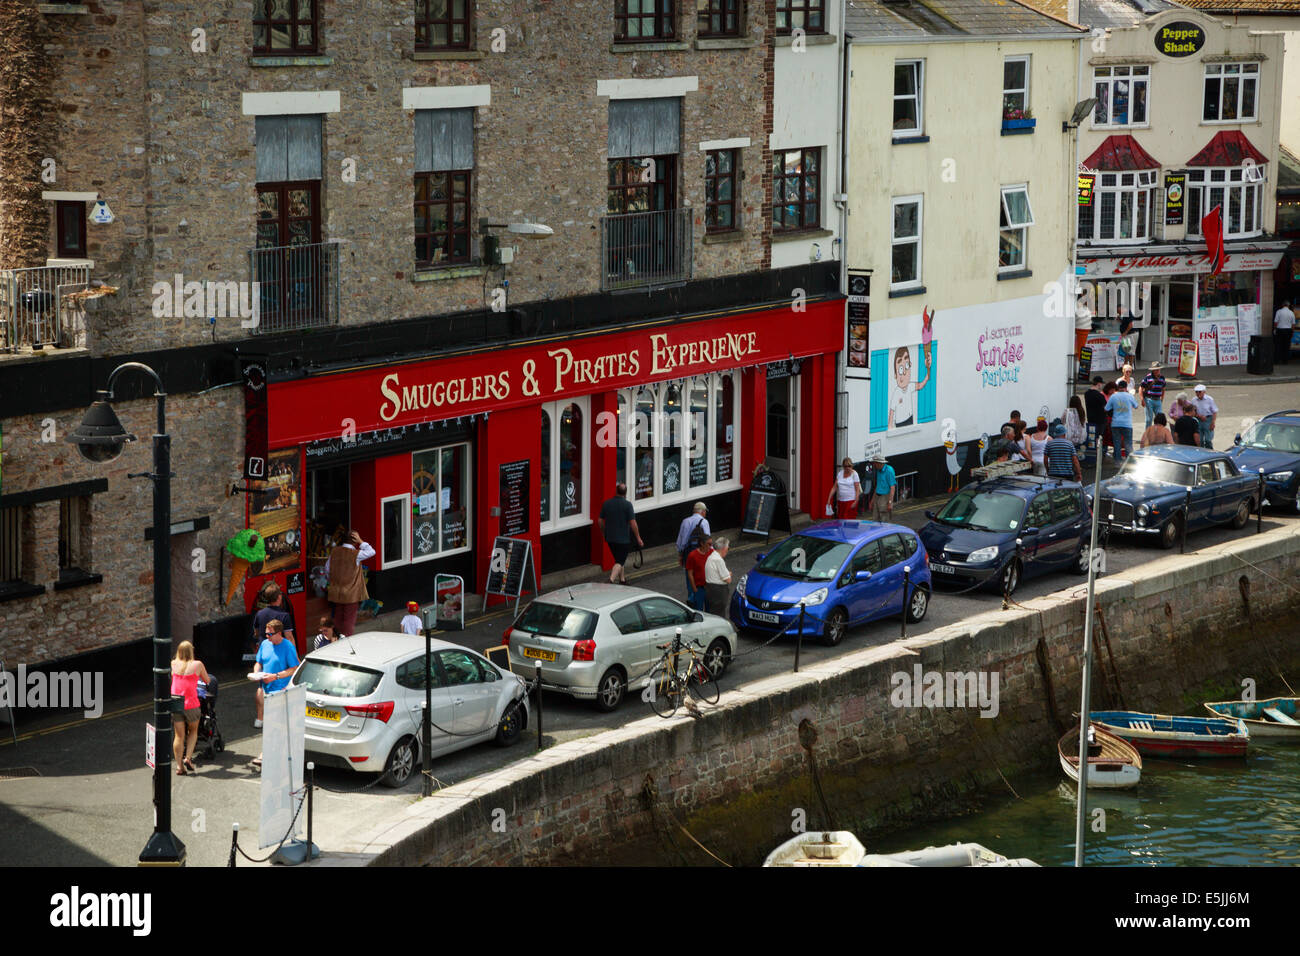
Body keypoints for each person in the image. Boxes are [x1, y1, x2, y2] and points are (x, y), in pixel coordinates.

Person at [252, 619, 300, 766]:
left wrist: (276, 676)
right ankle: (277, 752)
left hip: (281, 691)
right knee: (274, 724)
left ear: (279, 633)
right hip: (266, 689)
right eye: (266, 633)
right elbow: (259, 662)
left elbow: (294, 668)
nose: (267, 637)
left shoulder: (288, 647)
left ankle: (265, 754)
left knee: (272, 723)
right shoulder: (265, 644)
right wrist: (256, 673)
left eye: (270, 634)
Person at [326, 530, 375, 638]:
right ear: (355, 541)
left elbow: (327, 569)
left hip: (336, 591)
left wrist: (333, 582)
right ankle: (346, 640)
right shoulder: (355, 554)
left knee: (338, 617)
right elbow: (371, 551)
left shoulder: (335, 552)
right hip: (351, 593)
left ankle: (335, 638)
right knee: (349, 619)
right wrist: (361, 541)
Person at [170, 640, 209, 775]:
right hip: (191, 703)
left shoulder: (173, 664)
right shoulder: (197, 664)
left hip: (175, 702)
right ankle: (188, 758)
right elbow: (207, 680)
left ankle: (179, 766)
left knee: (178, 736)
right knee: (192, 731)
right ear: (191, 651)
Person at [250, 584, 293, 697]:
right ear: (279, 597)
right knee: (280, 681)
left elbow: (256, 632)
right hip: (279, 653)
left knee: (263, 682)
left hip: (264, 652)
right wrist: (294, 654)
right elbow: (289, 636)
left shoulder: (260, 614)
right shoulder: (284, 616)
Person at [598, 482, 642, 585]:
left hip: (610, 538)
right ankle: (611, 580)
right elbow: (633, 523)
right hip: (623, 540)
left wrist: (604, 532)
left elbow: (600, 520)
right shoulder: (627, 505)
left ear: (616, 491)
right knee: (619, 561)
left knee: (618, 559)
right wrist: (638, 538)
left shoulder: (607, 503)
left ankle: (622, 580)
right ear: (625, 493)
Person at [888, 345, 931, 428]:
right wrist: (890, 426)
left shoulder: (910, 386)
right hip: (900, 422)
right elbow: (892, 411)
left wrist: (927, 376)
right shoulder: (897, 392)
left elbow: (920, 386)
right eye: (900, 369)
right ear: (895, 375)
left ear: (910, 365)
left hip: (910, 418)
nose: (904, 372)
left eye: (907, 366)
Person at [675, 502, 711, 601]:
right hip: (701, 553)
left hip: (688, 553)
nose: (705, 514)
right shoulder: (704, 522)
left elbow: (681, 541)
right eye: (705, 512)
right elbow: (707, 539)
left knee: (689, 575)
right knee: (701, 576)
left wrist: (680, 555)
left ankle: (691, 597)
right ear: (702, 512)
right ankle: (700, 597)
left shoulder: (685, 521)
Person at [1105, 379, 1139, 462]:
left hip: (1115, 423)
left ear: (1118, 387)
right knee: (1128, 444)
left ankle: (1117, 462)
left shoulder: (1113, 396)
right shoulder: (1130, 396)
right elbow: (1136, 406)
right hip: (1127, 424)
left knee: (1117, 444)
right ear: (1126, 387)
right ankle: (1128, 462)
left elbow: (1106, 409)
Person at [704, 536, 732, 617]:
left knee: (713, 613)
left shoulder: (711, 556)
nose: (727, 549)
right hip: (718, 592)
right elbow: (728, 580)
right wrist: (729, 574)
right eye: (727, 547)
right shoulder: (718, 560)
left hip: (710, 589)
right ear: (724, 548)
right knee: (719, 615)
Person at [684, 535, 713, 611]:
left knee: (710, 611)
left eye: (711, 544)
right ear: (702, 543)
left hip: (710, 587)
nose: (711, 546)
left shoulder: (712, 552)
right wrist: (694, 589)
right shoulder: (692, 555)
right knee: (698, 611)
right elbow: (690, 573)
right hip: (699, 588)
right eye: (709, 544)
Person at [1138, 361, 1165, 430]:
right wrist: (1142, 399)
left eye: (1158, 369)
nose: (1158, 371)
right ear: (1153, 370)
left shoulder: (1162, 378)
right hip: (1149, 400)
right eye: (1156, 369)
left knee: (1160, 419)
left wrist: (1162, 399)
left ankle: (1159, 435)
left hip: (1158, 400)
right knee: (1149, 420)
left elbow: (1163, 389)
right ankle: (1147, 436)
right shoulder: (1148, 377)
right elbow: (1141, 388)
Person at [870, 454, 897, 521]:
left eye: (874, 463)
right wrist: (872, 500)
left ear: (879, 463)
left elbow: (892, 487)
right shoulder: (878, 470)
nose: (874, 465)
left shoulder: (889, 470)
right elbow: (878, 485)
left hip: (885, 497)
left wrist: (890, 502)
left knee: (885, 520)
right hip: (877, 496)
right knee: (875, 519)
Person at [1192, 384, 1218, 449]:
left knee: (1208, 440)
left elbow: (1214, 411)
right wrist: (1199, 416)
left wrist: (1213, 422)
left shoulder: (1209, 399)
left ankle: (1209, 452)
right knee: (1199, 440)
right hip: (1198, 420)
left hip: (1208, 419)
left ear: (1204, 392)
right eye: (1196, 392)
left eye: (1199, 392)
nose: (1198, 393)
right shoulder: (1193, 400)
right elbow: (1192, 412)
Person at [1274, 299, 1295, 365]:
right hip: (1288, 330)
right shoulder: (1291, 313)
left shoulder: (1279, 312)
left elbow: (1275, 322)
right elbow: (1293, 324)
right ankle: (1285, 361)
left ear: (1283, 305)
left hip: (1280, 330)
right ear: (1288, 305)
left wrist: (1275, 329)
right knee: (1286, 346)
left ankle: (1277, 360)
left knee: (1278, 345)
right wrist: (1292, 331)